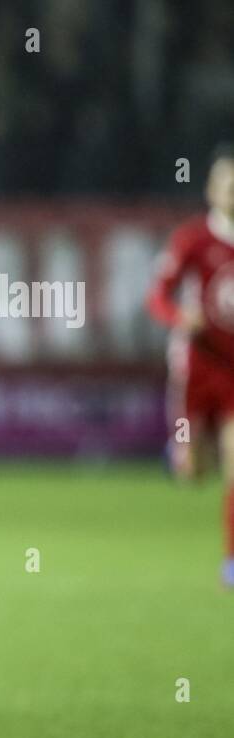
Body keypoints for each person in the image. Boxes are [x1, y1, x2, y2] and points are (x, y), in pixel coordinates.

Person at [147, 144, 234, 588]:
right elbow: (156, 296)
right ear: (211, 189)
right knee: (193, 474)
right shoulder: (193, 240)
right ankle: (179, 455)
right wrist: (181, 318)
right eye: (226, 183)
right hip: (197, 366)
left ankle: (231, 562)